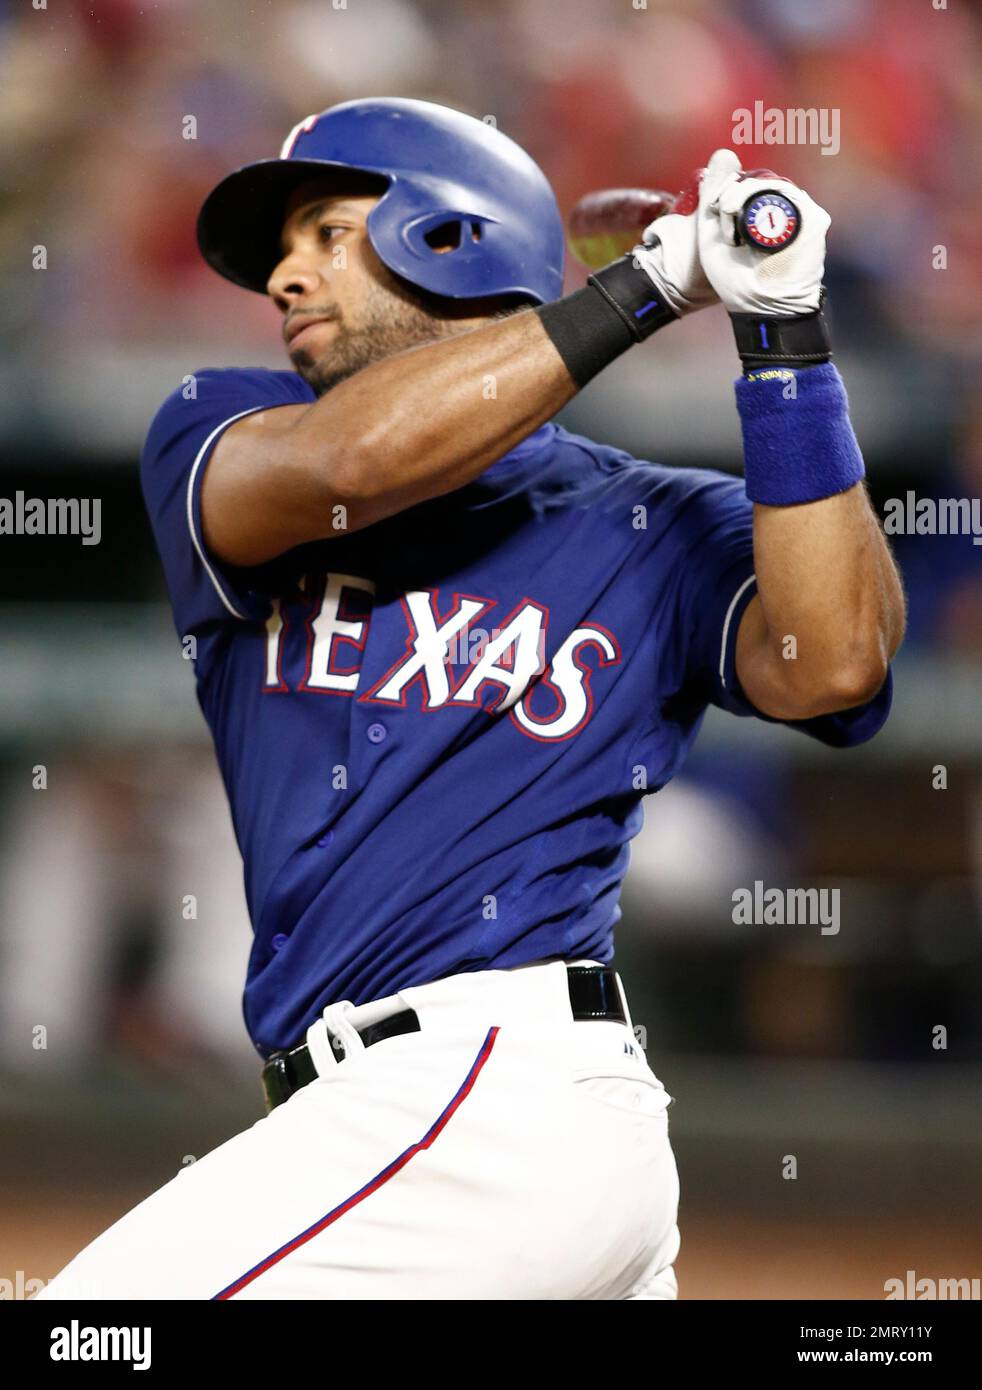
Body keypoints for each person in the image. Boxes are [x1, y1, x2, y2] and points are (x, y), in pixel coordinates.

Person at [38, 98, 904, 1300]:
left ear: (452, 238)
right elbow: (356, 464)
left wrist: (782, 333)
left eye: (328, 233)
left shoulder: (649, 519)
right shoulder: (218, 425)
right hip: (402, 1121)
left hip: (496, 1097)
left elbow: (836, 662)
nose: (284, 276)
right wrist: (650, 284)